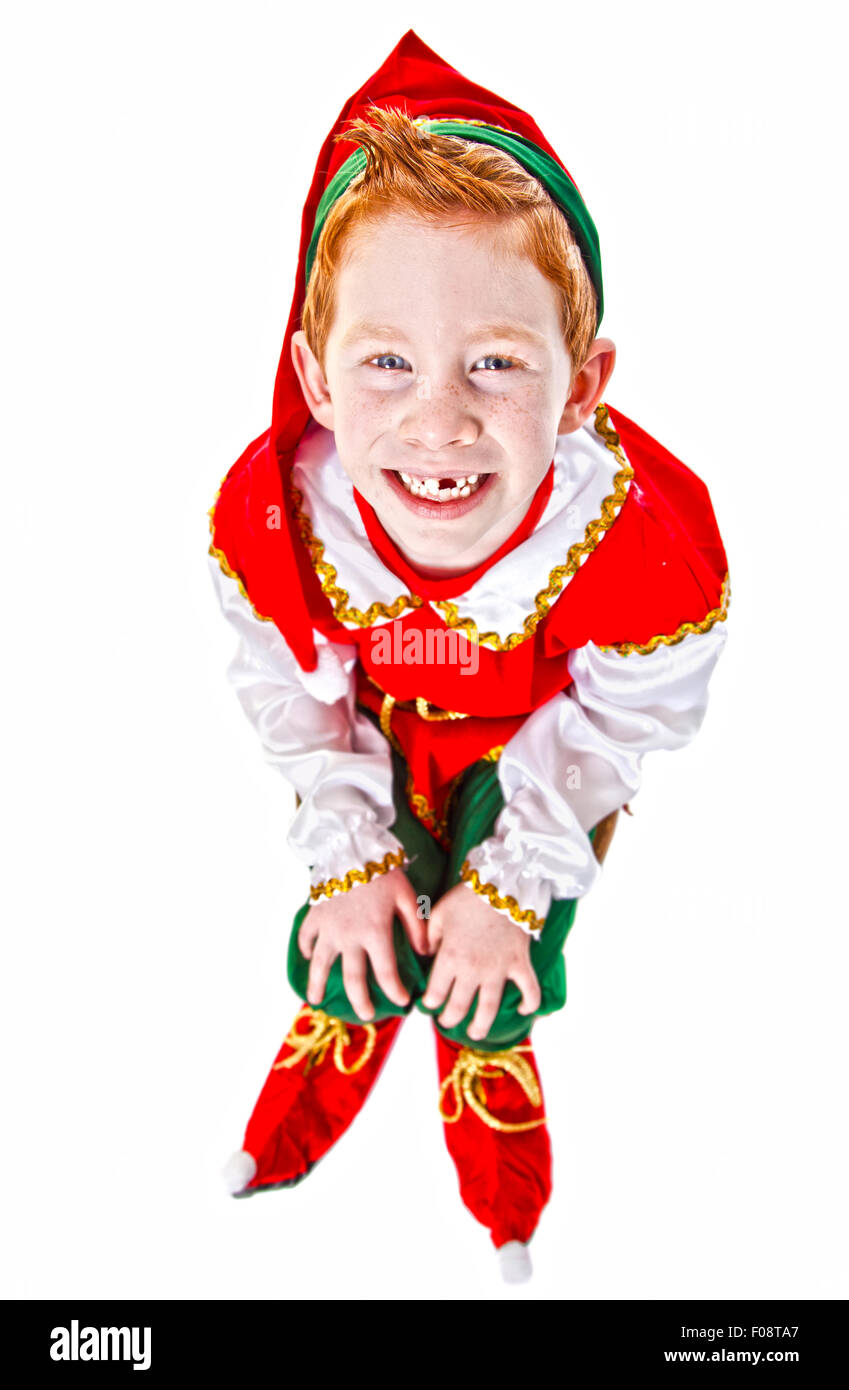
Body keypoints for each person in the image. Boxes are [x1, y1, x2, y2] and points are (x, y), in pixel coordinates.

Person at [208, 30, 729, 1283]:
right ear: (315, 380)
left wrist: (509, 884)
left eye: (497, 363)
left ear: (583, 383)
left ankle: (506, 1191)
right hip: (383, 743)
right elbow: (294, 695)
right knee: (352, 945)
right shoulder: (279, 517)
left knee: (491, 979)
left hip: (532, 752)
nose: (438, 421)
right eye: (385, 362)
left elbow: (617, 721)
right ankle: (293, 1125)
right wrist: (349, 851)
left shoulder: (639, 540)